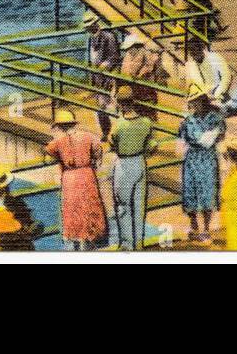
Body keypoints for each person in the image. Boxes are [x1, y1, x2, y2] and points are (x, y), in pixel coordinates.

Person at [45, 108, 108, 250]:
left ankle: (76, 242)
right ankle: (88, 241)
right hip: (86, 174)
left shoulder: (58, 141)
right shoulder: (87, 136)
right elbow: (98, 150)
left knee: (72, 210)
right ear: (73, 124)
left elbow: (48, 156)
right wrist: (94, 164)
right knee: (88, 207)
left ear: (60, 126)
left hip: (70, 177)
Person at [108, 85, 156, 250]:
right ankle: (139, 244)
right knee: (139, 206)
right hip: (140, 162)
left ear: (120, 103)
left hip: (124, 164)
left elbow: (112, 143)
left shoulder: (118, 125)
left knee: (123, 206)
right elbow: (152, 146)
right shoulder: (146, 122)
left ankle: (127, 245)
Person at [178, 85, 225, 244]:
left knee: (207, 193)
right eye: (192, 102)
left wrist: (204, 139)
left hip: (207, 158)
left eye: (197, 101)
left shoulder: (214, 118)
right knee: (190, 192)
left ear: (203, 101)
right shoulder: (187, 120)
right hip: (192, 159)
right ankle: (194, 226)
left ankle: (206, 229)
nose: (194, 105)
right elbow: (183, 140)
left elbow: (216, 137)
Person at [185, 40, 231, 105]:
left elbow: (226, 77)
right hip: (204, 96)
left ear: (202, 49)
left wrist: (216, 95)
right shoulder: (193, 63)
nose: (193, 56)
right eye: (191, 53)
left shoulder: (215, 58)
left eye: (195, 52)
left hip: (219, 95)